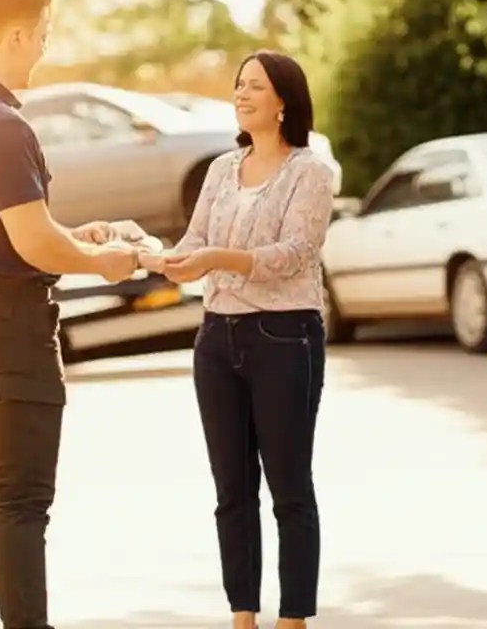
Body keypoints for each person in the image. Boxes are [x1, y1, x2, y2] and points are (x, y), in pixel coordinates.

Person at [0, 0, 144, 629]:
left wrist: (73, 237)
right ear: (17, 34)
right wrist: (99, 262)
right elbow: (28, 240)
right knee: (21, 501)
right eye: (43, 38)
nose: (42, 53)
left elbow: (15, 230)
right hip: (8, 324)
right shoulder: (2, 125)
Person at [157, 50, 336, 629]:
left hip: (283, 337)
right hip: (217, 341)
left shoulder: (310, 172)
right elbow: (194, 243)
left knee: (289, 487)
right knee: (231, 491)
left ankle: (294, 619)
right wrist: (146, 251)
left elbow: (295, 255)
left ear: (283, 101)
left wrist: (216, 259)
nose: (241, 94)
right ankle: (243, 615)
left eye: (254, 86)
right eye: (238, 85)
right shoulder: (219, 170)